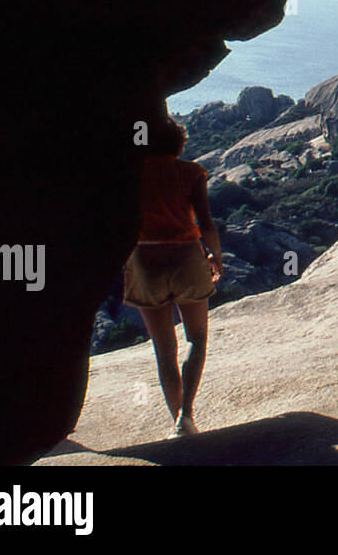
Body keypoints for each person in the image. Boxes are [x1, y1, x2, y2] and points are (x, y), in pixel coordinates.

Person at [123, 117, 223, 437]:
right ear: (179, 144)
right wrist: (216, 256)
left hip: (144, 259)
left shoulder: (132, 174)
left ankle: (176, 420)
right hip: (186, 256)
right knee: (196, 338)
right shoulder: (192, 172)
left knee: (164, 349)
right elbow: (206, 222)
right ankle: (187, 416)